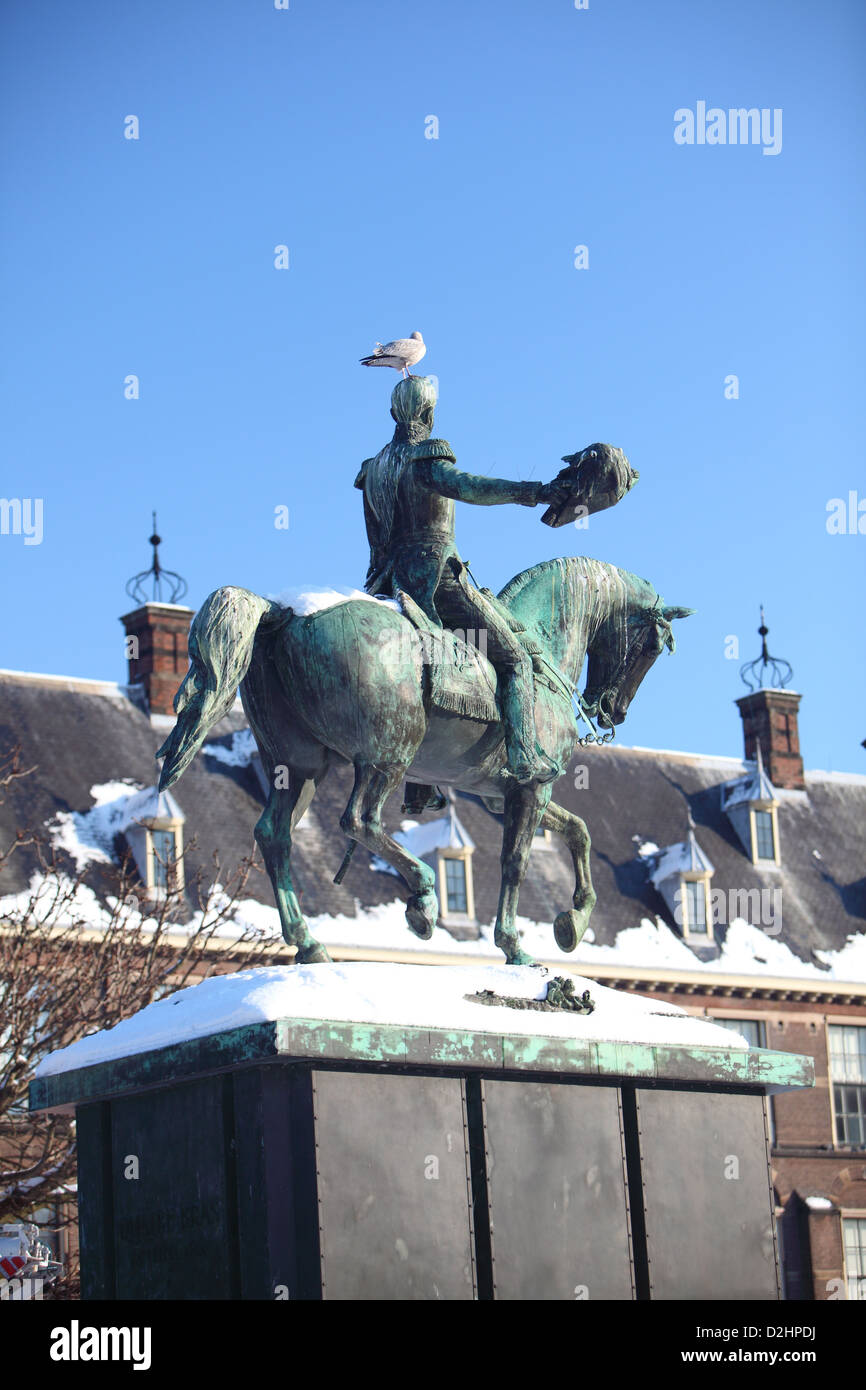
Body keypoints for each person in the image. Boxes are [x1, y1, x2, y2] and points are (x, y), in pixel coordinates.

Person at [355, 376, 568, 788]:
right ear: (429, 414)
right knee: (514, 659)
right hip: (436, 579)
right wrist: (537, 492)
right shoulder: (426, 459)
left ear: (393, 413)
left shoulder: (373, 469)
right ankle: (524, 754)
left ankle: (418, 791)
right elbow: (472, 488)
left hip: (386, 580)